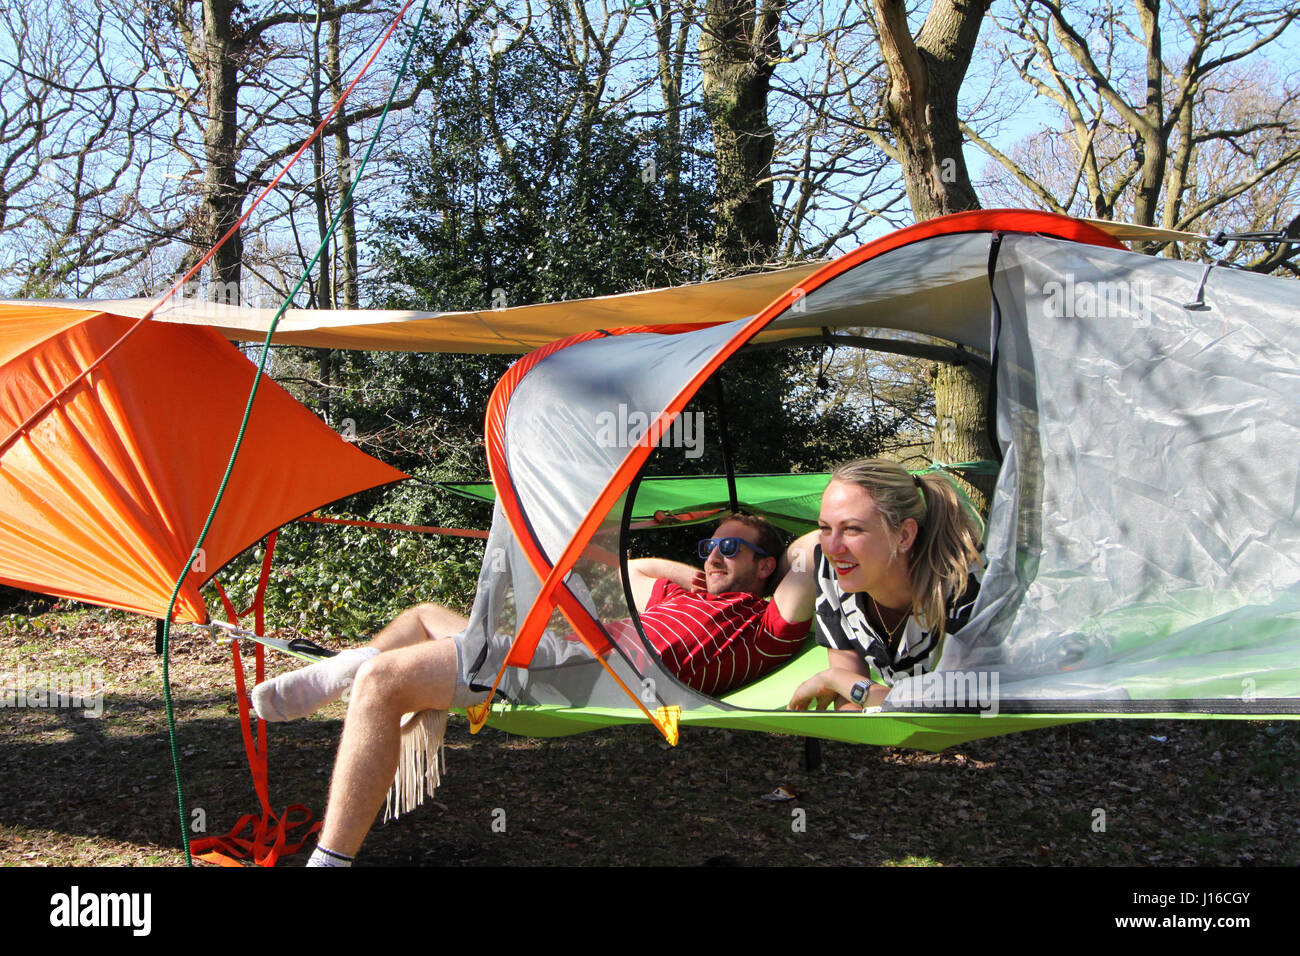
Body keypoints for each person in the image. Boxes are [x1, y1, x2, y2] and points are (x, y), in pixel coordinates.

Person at [251, 513, 815, 866]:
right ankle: (341, 669)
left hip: (596, 673)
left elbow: (813, 550)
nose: (713, 557)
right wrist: (692, 565)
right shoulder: (679, 598)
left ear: (767, 568)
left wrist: (781, 556)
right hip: (561, 651)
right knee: (423, 615)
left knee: (384, 683)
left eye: (730, 549)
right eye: (707, 548)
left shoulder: (764, 626)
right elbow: (633, 566)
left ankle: (330, 859)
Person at [786, 459, 982, 713]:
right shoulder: (832, 570)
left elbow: (970, 702)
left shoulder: (963, 578)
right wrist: (851, 691)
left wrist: (835, 680)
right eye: (825, 528)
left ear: (903, 535)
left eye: (853, 529)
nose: (832, 548)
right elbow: (849, 697)